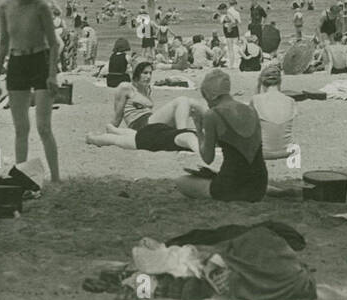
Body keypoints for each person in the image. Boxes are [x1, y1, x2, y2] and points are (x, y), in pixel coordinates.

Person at [0, 0, 61, 182]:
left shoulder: (40, 6)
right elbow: (3, 43)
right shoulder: (5, 8)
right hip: (17, 64)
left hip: (39, 61)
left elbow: (54, 42)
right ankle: (21, 175)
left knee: (43, 127)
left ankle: (56, 177)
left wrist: (52, 74)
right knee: (21, 128)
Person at [175, 69, 267, 202]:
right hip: (259, 187)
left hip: (231, 187)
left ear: (210, 95)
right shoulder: (251, 110)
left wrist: (199, 129)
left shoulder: (212, 114)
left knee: (181, 182)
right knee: (244, 171)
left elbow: (208, 158)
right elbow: (240, 141)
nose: (207, 103)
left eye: (205, 98)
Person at [87, 60, 205, 153]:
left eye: (150, 73)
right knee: (182, 100)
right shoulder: (125, 87)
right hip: (140, 125)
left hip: (152, 124)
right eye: (145, 73)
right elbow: (118, 116)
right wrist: (112, 129)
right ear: (137, 73)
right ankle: (181, 134)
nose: (148, 77)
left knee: (191, 104)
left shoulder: (146, 89)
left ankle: (216, 126)